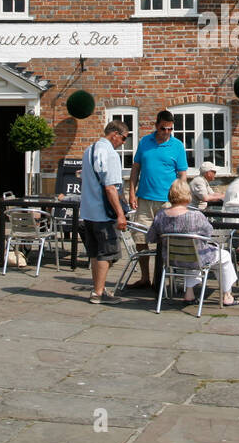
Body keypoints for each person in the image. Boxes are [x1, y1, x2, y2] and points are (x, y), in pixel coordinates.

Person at [147, 180, 239, 307]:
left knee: (191, 251)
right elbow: (209, 233)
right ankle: (227, 295)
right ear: (188, 195)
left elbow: (151, 237)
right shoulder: (196, 215)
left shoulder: (160, 215)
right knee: (222, 255)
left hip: (171, 259)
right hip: (196, 258)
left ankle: (189, 294)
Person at [126, 110, 189, 290]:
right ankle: (145, 277)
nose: (167, 132)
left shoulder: (177, 146)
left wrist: (181, 198)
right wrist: (132, 192)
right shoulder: (145, 142)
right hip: (144, 199)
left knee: (167, 240)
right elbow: (136, 168)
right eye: (163, 128)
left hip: (167, 201)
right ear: (156, 125)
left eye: (170, 129)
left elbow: (182, 175)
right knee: (140, 239)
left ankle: (161, 279)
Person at [79, 121, 130, 303]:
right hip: (104, 213)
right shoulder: (110, 154)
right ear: (114, 134)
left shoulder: (89, 150)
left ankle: (97, 288)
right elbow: (110, 188)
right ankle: (98, 293)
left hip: (87, 211)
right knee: (107, 254)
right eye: (124, 138)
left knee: (94, 253)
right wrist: (120, 214)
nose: (124, 142)